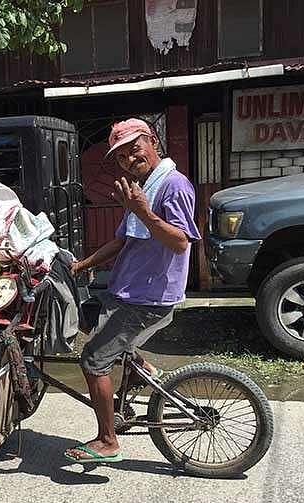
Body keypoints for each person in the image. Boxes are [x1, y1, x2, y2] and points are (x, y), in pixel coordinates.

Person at [64, 118, 201, 463]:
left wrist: (142, 210)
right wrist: (83, 264)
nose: (129, 159)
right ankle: (147, 375)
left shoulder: (173, 186)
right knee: (99, 327)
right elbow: (123, 240)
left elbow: (180, 242)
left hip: (149, 298)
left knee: (93, 359)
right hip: (129, 290)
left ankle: (107, 441)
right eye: (122, 156)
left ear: (152, 141)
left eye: (134, 148)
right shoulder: (142, 186)